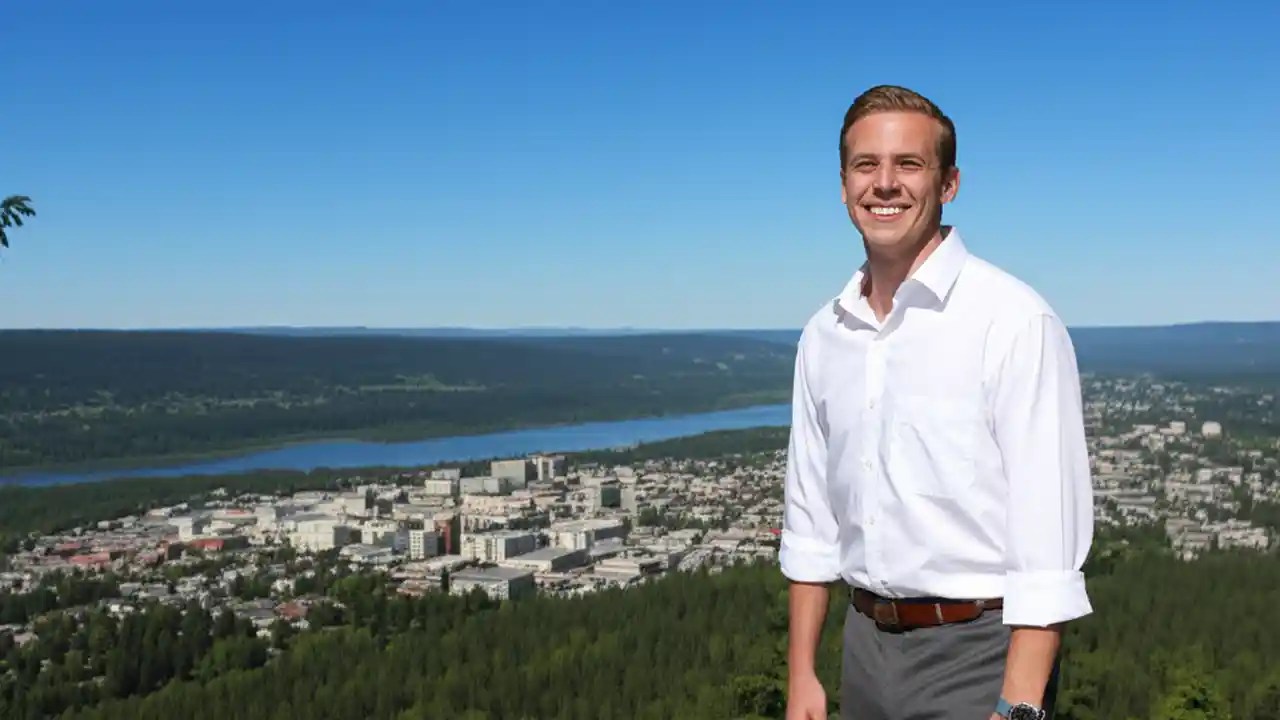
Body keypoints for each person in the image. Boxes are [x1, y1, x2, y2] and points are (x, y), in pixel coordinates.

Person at [780, 84, 1095, 720]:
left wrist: (1018, 708)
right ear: (843, 186)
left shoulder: (1013, 321)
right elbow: (811, 524)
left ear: (949, 183)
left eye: (909, 165)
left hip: (978, 652)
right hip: (861, 647)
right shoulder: (824, 335)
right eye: (866, 166)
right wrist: (802, 676)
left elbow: (1047, 549)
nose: (885, 184)